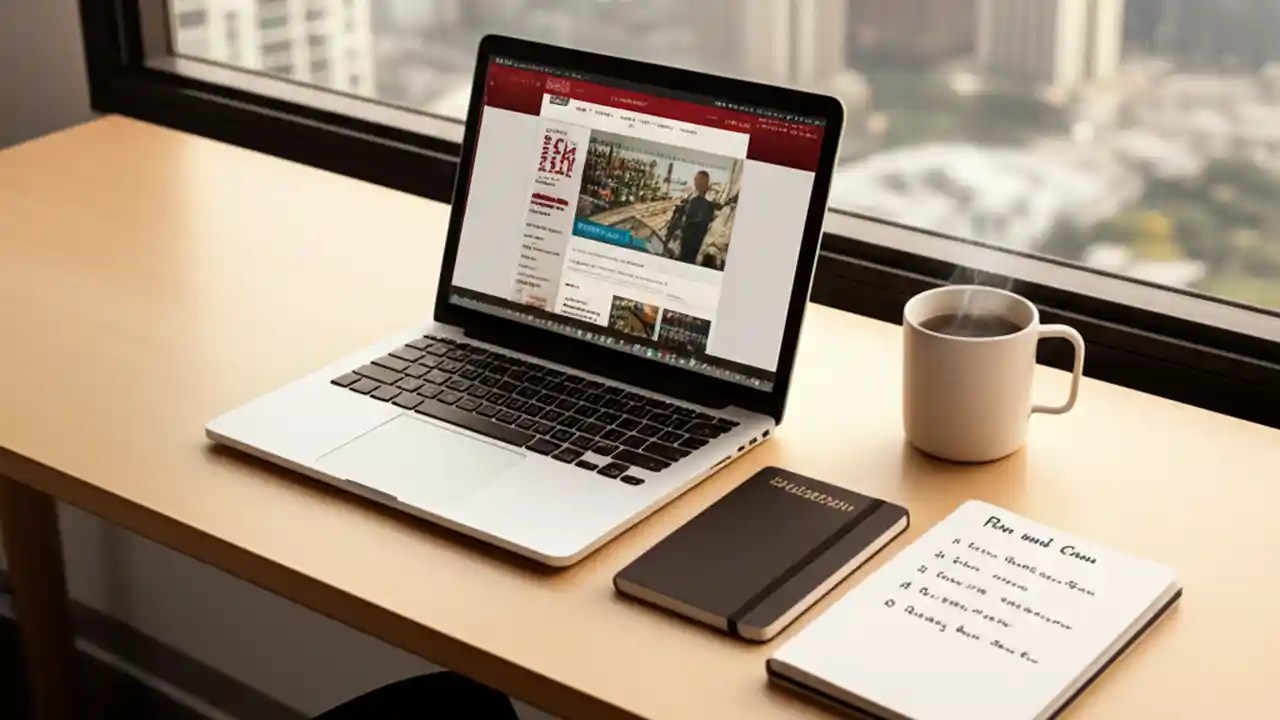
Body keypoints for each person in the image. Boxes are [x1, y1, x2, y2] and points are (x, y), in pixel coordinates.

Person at [673, 170, 723, 264]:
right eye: (696, 179)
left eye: (700, 180)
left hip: (698, 246)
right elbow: (680, 222)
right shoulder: (689, 200)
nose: (697, 182)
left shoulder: (711, 204)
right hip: (686, 244)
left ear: (706, 183)